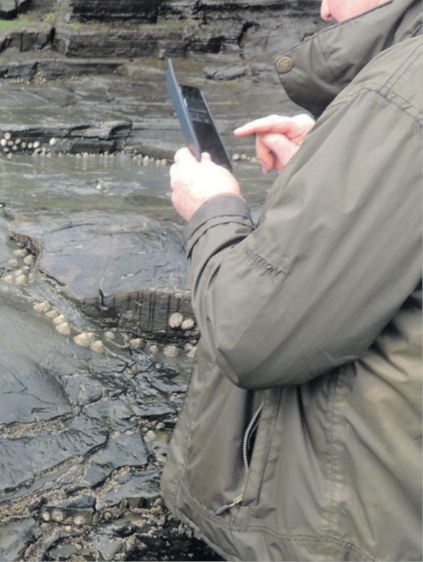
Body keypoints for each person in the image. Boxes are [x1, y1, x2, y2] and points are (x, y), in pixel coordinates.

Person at [162, 0, 421, 559]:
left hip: (358, 534)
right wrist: (331, 160)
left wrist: (213, 210)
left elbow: (250, 332)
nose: (325, 9)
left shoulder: (406, 92)